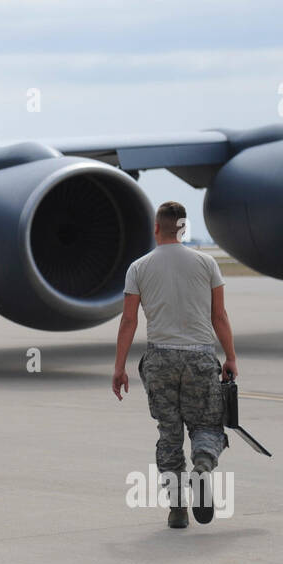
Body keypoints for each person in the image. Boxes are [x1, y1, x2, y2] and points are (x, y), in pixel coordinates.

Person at [111, 201, 237, 529]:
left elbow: (128, 320)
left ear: (156, 228)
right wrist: (231, 357)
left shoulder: (138, 268)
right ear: (184, 228)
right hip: (199, 356)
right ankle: (203, 466)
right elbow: (219, 316)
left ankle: (178, 508)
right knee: (207, 426)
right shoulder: (207, 264)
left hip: (160, 359)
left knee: (169, 434)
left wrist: (119, 367)